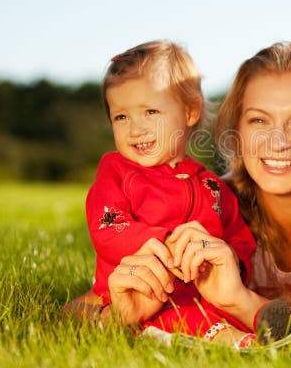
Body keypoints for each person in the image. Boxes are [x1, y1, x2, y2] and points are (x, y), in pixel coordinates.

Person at [105, 42, 291, 340]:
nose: (277, 141)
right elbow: (81, 308)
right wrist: (118, 315)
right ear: (238, 132)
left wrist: (241, 302)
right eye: (259, 120)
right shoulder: (212, 201)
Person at [70, 40, 257, 347]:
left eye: (150, 112)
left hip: (205, 295)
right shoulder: (116, 171)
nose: (135, 129)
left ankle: (251, 330)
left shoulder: (211, 185)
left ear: (190, 111)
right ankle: (239, 343)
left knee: (217, 312)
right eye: (121, 117)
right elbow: (108, 226)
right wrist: (166, 242)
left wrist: (231, 262)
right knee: (188, 321)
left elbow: (240, 238)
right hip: (142, 295)